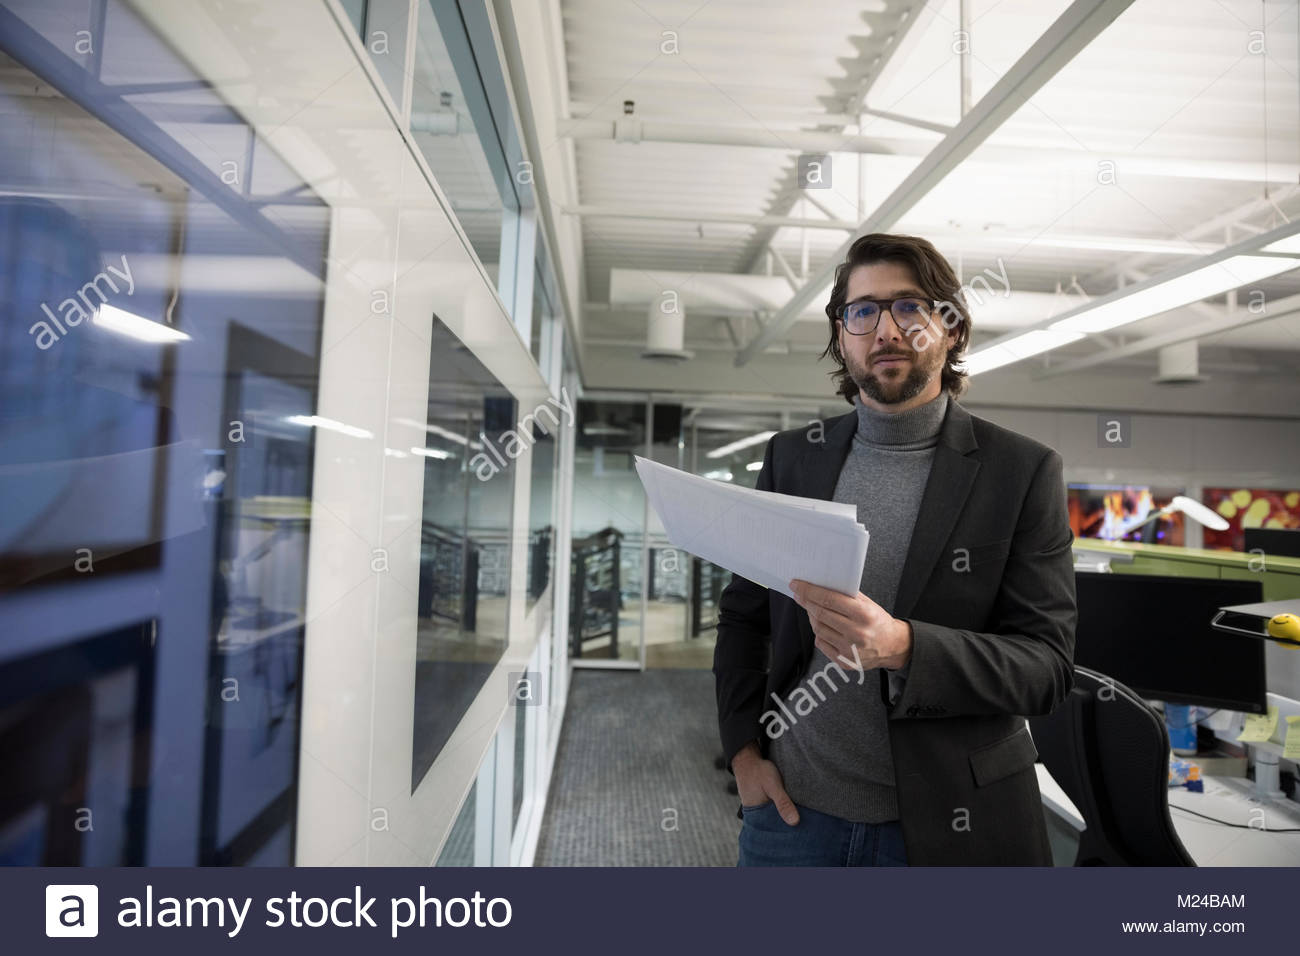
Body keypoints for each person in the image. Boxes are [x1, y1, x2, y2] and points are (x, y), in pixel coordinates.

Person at [714, 233, 1077, 866]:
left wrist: (906, 647)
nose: (886, 329)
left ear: (951, 329)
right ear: (841, 334)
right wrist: (744, 752)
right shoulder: (794, 457)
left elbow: (1045, 668)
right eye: (863, 310)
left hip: (950, 825)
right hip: (795, 817)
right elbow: (745, 617)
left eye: (910, 307)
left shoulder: (1020, 472)